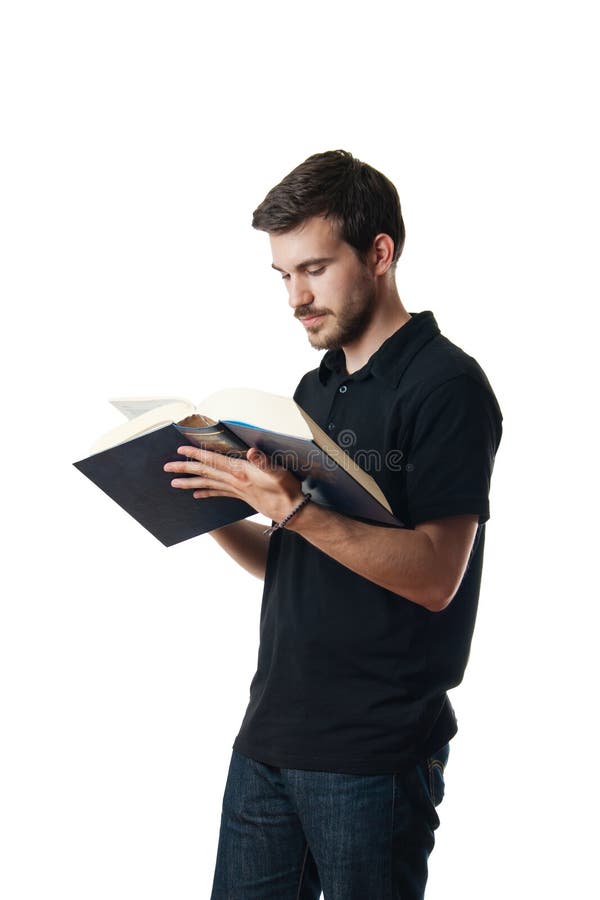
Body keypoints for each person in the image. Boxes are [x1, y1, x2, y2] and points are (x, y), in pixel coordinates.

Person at [164, 150, 503, 899]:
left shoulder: (447, 386)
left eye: (313, 269)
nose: (295, 297)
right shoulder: (312, 390)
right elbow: (299, 561)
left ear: (379, 253)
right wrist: (215, 504)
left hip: (373, 754)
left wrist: (291, 507)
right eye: (284, 275)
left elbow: (434, 578)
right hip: (269, 737)